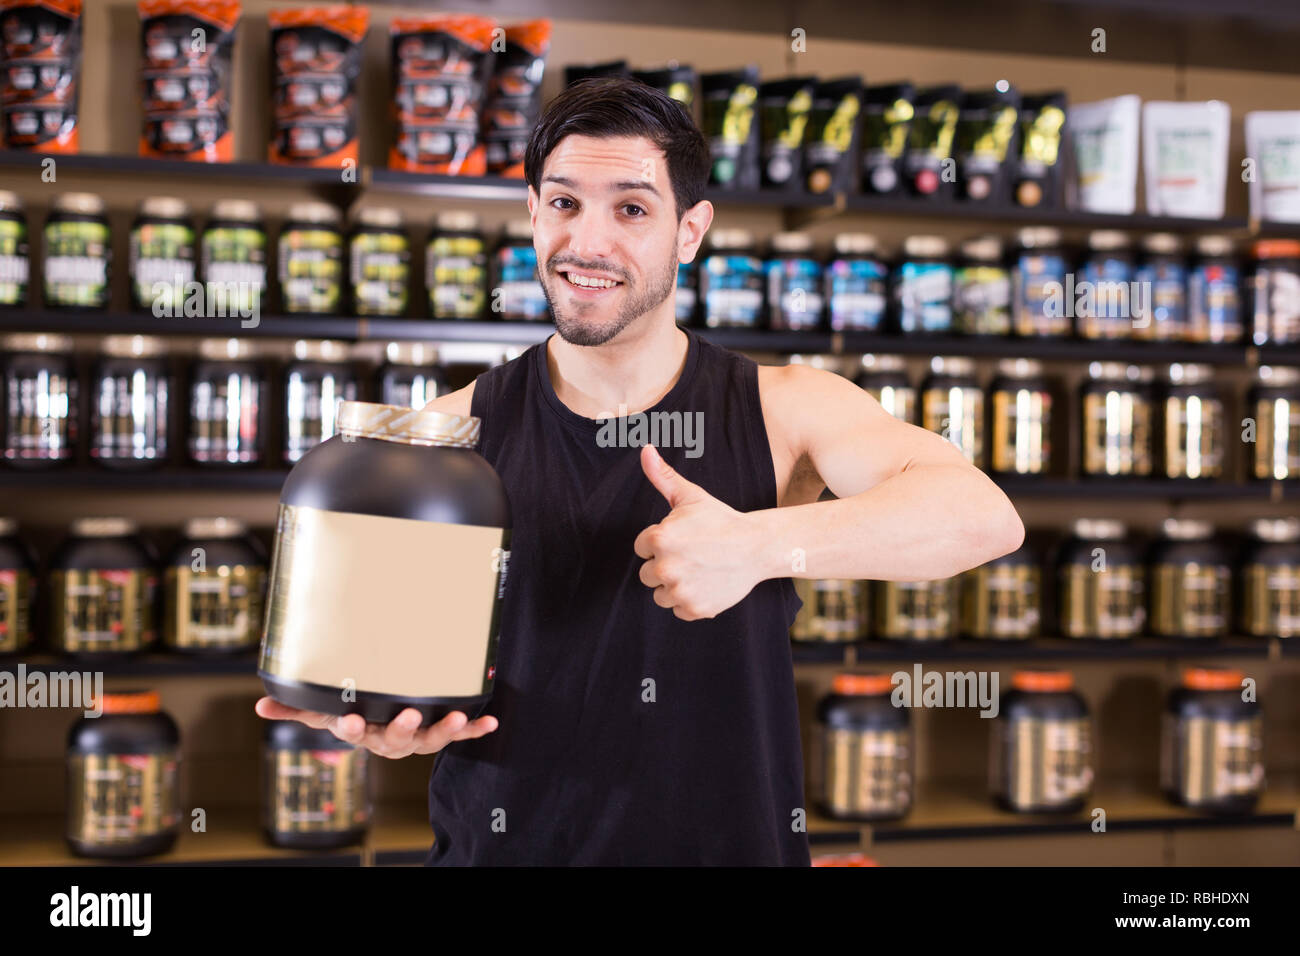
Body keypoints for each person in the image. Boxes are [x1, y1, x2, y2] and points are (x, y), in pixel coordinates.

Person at [256, 76, 1025, 865]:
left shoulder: (783, 408)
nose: (588, 243)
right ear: (531, 212)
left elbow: (981, 517)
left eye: (630, 208)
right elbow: (398, 671)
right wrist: (390, 719)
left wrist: (763, 546)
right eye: (563, 204)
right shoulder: (449, 435)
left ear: (690, 231)